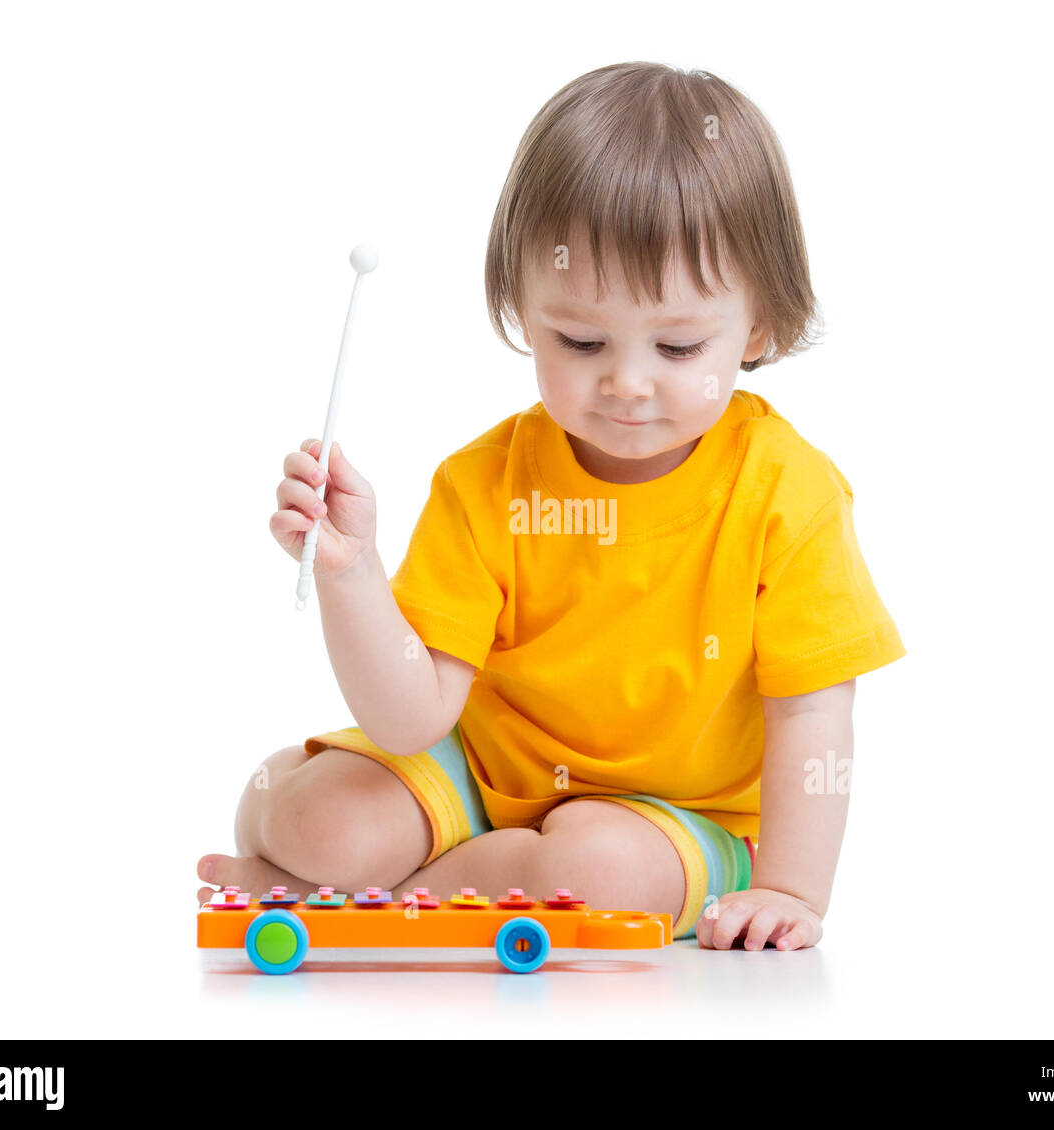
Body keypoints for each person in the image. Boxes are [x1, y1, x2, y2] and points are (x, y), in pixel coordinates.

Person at [197, 61, 906, 950]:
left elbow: (812, 711)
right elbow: (412, 719)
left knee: (596, 872)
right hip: (486, 772)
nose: (629, 383)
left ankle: (344, 903)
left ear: (758, 328)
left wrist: (794, 889)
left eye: (681, 345)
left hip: (676, 820)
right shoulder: (485, 482)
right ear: (522, 314)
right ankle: (369, 869)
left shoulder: (787, 495)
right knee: (318, 821)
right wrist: (351, 574)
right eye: (580, 339)